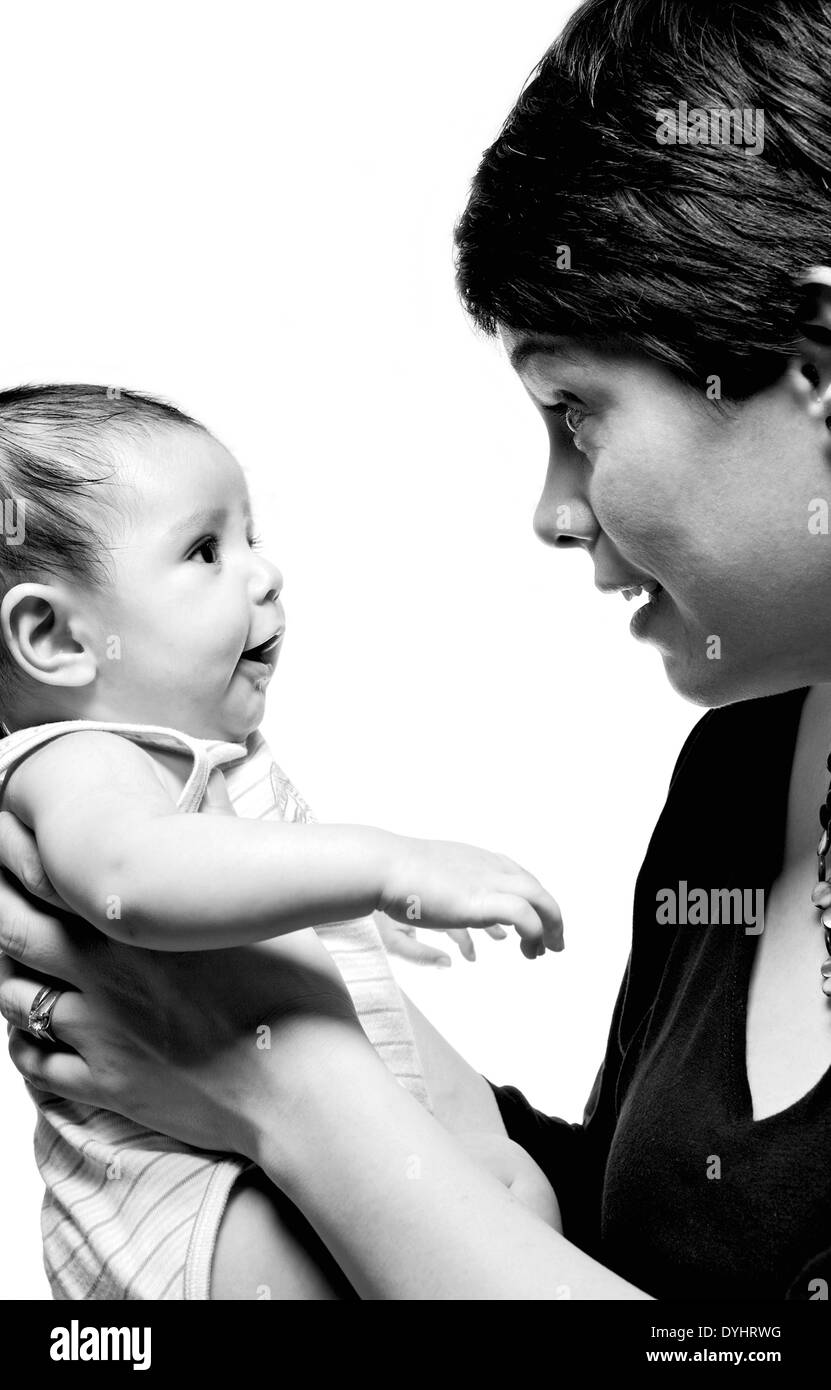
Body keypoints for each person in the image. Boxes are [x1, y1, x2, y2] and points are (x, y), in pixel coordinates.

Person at [4, 0, 831, 1298]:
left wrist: (287, 1080)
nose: (551, 512)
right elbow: (652, 1264)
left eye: (576, 412)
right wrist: (370, 1046)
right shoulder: (742, 773)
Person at [0, 384, 563, 1299]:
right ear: (54, 637)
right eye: (204, 549)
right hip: (198, 1212)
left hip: (281, 1163)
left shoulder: (202, 763)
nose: (264, 575)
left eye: (250, 538)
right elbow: (134, 878)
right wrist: (384, 867)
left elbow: (228, 886)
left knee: (508, 1196)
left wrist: (345, 926)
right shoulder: (71, 761)